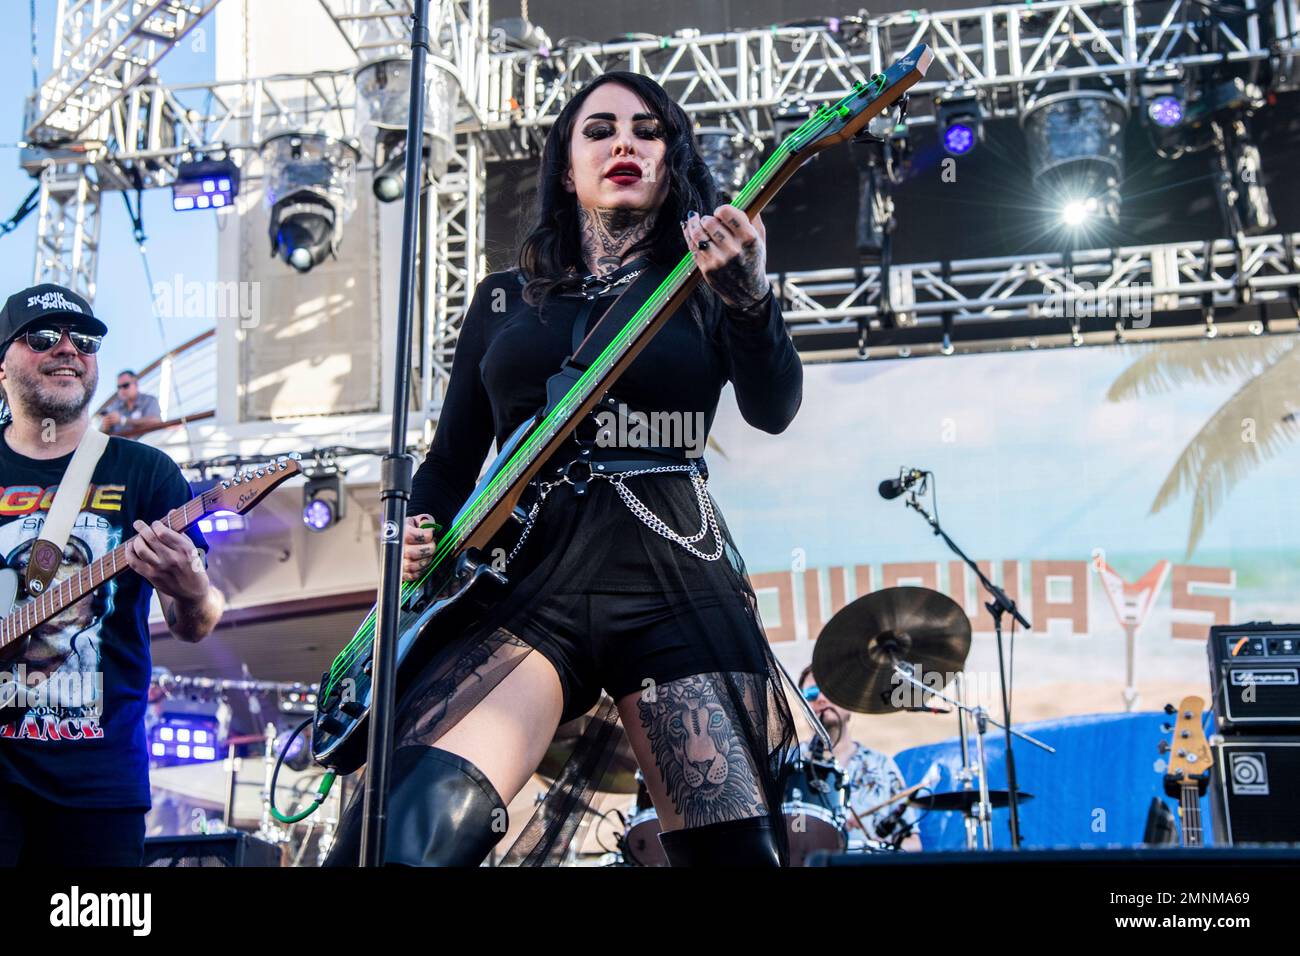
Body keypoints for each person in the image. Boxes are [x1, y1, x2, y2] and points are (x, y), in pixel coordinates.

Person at [326, 70, 803, 867]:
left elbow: (775, 407)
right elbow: (450, 462)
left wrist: (751, 302)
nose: (624, 141)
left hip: (672, 574)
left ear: (671, 159)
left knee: (733, 857)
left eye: (648, 130)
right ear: (566, 163)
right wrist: (414, 531)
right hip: (521, 583)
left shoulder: (709, 279)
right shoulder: (504, 298)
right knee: (410, 830)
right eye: (600, 129)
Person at [0, 283, 225, 867]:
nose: (68, 349)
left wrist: (193, 589)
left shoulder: (146, 472)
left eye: (86, 339)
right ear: (3, 364)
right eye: (44, 336)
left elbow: (195, 625)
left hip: (98, 787)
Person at [797, 665, 923, 851]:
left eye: (831, 691)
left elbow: (914, 846)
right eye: (812, 693)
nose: (821, 699)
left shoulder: (881, 765)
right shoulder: (787, 764)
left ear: (850, 701)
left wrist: (873, 843)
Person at [100, 369, 163, 438]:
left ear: (136, 384)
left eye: (125, 385)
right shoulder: (113, 407)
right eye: (119, 387)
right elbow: (101, 434)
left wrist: (123, 420)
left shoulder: (149, 400)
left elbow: (155, 422)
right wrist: (105, 427)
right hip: (120, 447)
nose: (122, 390)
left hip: (146, 444)